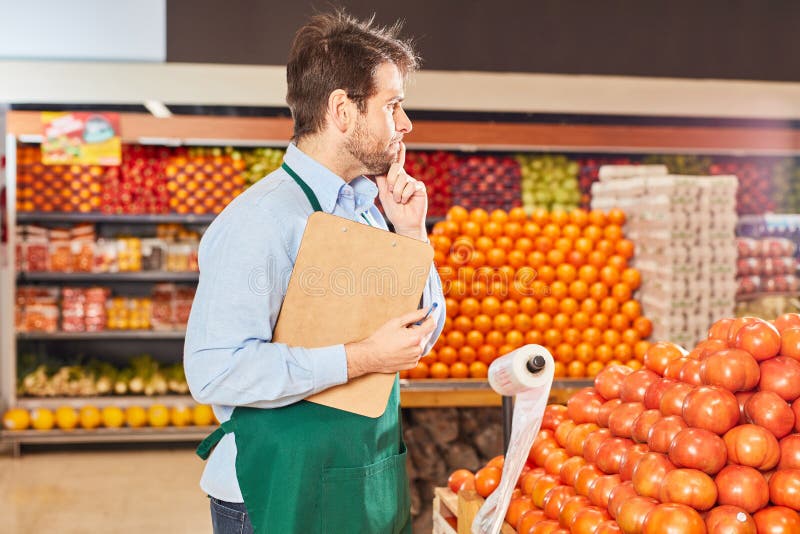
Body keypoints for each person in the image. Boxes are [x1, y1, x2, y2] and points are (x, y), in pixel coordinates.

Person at [185, 10, 445, 534]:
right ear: (342, 110)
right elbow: (214, 371)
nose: (406, 124)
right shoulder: (260, 220)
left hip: (361, 478)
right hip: (275, 492)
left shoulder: (374, 209)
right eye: (392, 105)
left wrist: (413, 235)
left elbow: (423, 335)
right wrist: (361, 358)